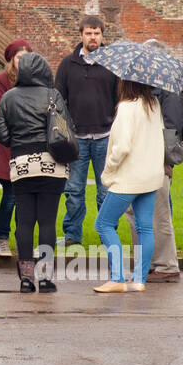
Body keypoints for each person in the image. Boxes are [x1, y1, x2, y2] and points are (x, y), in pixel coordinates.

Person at [0, 52, 71, 293]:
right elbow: (64, 126)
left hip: (22, 163)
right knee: (48, 222)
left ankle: (26, 280)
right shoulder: (53, 95)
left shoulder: (8, 98)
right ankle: (46, 279)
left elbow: (2, 136)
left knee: (24, 223)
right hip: (52, 164)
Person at [93, 80, 166, 293]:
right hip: (151, 176)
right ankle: (138, 280)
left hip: (129, 177)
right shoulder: (153, 104)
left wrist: (108, 169)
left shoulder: (126, 107)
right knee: (145, 227)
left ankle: (117, 278)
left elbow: (122, 146)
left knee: (103, 223)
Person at [55, 16, 119, 246]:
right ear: (81, 35)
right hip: (77, 139)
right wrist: (65, 131)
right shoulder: (67, 65)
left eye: (97, 33)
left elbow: (120, 99)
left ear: (102, 35)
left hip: (105, 137)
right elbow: (58, 100)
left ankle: (107, 235)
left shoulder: (113, 64)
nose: (93, 37)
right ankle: (72, 235)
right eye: (89, 33)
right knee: (73, 191)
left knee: (106, 191)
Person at [143, 39, 183, 282]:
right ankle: (152, 262)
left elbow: (172, 128)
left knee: (159, 213)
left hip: (158, 159)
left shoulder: (169, 89)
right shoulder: (148, 87)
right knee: (142, 213)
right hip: (145, 156)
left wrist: (163, 161)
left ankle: (167, 265)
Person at [0, 40, 33, 258]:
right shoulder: (1, 80)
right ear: (11, 59)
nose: (22, 61)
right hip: (9, 145)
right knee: (11, 196)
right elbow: (2, 109)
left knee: (28, 199)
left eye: (26, 57)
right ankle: (3, 239)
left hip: (31, 145)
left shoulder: (36, 80)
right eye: (18, 57)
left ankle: (24, 242)